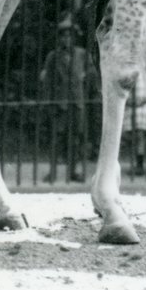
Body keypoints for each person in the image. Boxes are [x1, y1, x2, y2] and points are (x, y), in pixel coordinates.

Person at [40, 14, 89, 183]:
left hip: (77, 102)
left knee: (76, 138)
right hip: (59, 103)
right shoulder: (52, 56)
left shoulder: (82, 54)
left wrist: (85, 78)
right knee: (57, 138)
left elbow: (91, 75)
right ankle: (52, 172)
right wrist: (48, 103)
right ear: (59, 38)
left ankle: (74, 171)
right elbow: (47, 83)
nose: (66, 39)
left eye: (69, 36)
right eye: (63, 36)